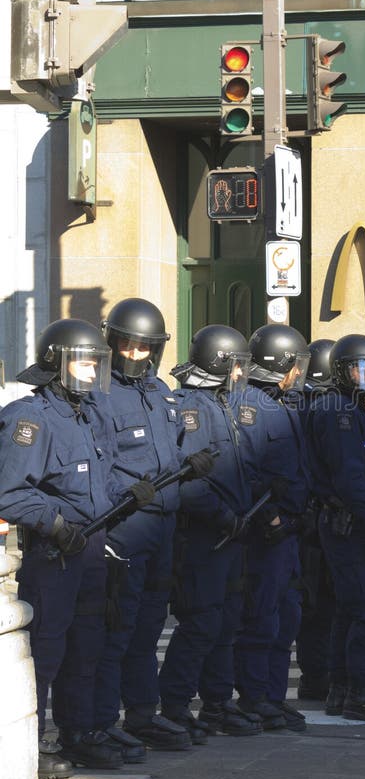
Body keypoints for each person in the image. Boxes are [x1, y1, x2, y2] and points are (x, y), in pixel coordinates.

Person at [0, 319, 126, 778]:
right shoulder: (29, 418)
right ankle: (30, 742)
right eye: (85, 364)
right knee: (48, 647)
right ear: (58, 363)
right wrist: (53, 524)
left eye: (97, 365)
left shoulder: (87, 415)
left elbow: (100, 481)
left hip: (92, 545)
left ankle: (80, 732)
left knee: (86, 645)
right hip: (54, 552)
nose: (93, 373)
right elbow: (9, 491)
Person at [90, 298, 215, 754]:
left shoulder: (161, 392)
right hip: (124, 527)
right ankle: (102, 722)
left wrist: (191, 464)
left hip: (163, 527)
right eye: (127, 344)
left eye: (145, 347)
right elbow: (94, 463)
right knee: (116, 631)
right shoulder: (100, 394)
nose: (135, 354)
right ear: (112, 342)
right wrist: (122, 494)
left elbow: (167, 454)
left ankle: (142, 714)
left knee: (147, 628)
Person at [157, 325, 262, 738]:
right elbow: (188, 480)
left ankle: (217, 703)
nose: (242, 375)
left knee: (226, 623)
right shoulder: (192, 408)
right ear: (221, 364)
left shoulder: (220, 403)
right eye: (237, 366)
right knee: (201, 623)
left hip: (231, 533)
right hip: (202, 536)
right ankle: (176, 705)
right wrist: (222, 515)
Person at [306, 334, 365, 722]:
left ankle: (341, 689)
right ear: (340, 372)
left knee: (350, 607)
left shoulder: (358, 410)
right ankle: (360, 694)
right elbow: (350, 477)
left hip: (357, 521)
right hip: (348, 524)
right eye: (360, 368)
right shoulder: (337, 412)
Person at [232, 324, 311, 732]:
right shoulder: (249, 406)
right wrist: (271, 517)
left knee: (286, 617)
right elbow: (245, 468)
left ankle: (274, 696)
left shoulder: (281, 404)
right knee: (262, 617)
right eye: (295, 365)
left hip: (290, 529)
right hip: (268, 533)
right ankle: (254, 696)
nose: (299, 373)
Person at [296, 337, 336, 701]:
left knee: (322, 603)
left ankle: (321, 672)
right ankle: (316, 675)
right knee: (316, 605)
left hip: (315, 517)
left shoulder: (311, 406)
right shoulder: (315, 409)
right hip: (311, 521)